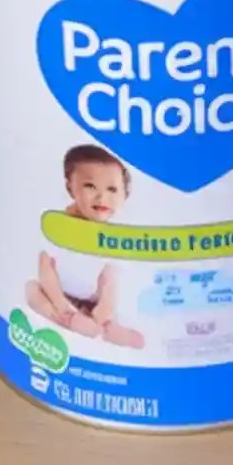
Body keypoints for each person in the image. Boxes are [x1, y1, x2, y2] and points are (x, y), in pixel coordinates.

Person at [25, 144, 145, 349]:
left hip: (93, 298)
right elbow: (47, 270)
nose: (102, 197)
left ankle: (106, 325)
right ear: (70, 186)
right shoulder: (58, 225)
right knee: (32, 289)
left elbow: (110, 277)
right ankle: (67, 319)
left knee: (114, 284)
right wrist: (62, 306)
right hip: (61, 293)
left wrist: (105, 306)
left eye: (112, 189)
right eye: (90, 186)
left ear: (125, 194)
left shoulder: (114, 232)